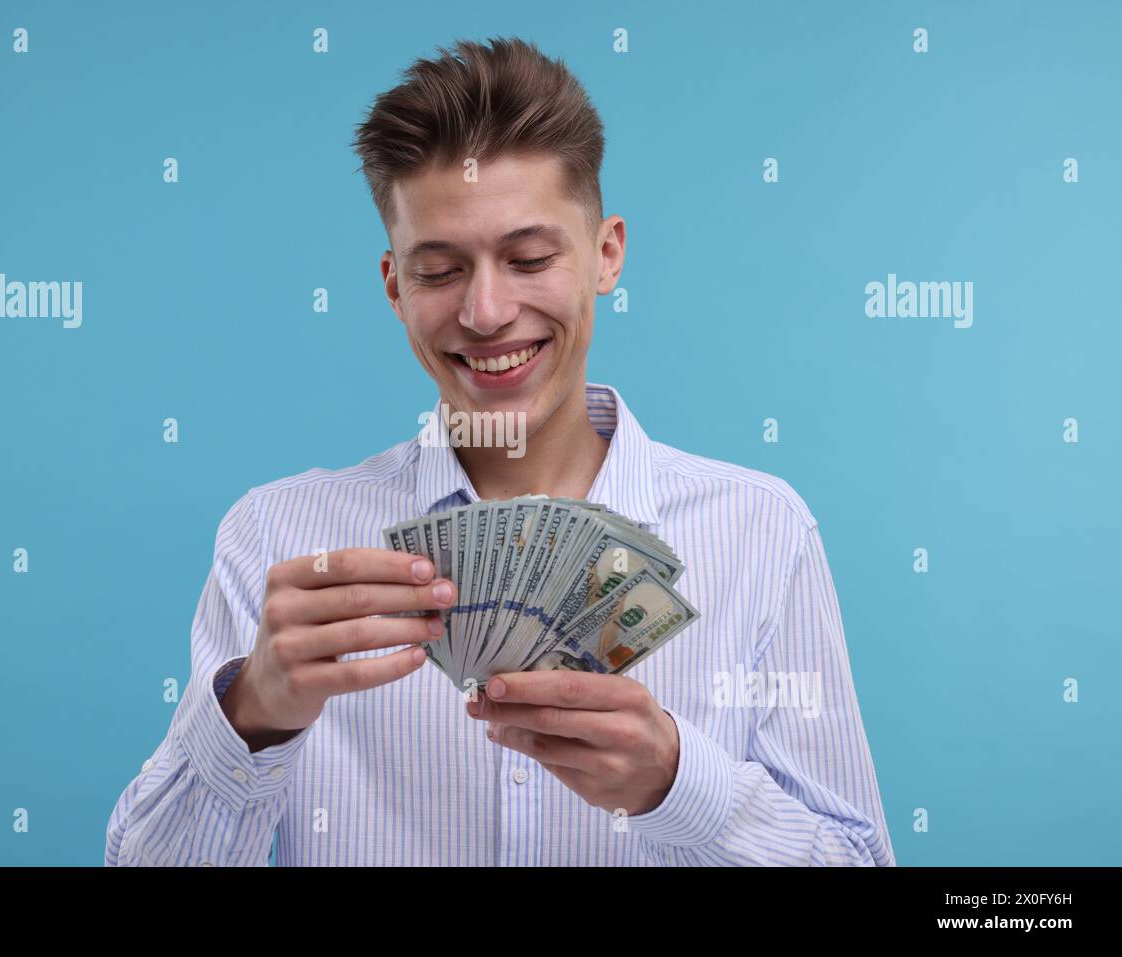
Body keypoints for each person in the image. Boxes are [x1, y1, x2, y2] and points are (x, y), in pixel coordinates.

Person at [105, 35, 895, 866]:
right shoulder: (278, 538)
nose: (485, 312)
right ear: (393, 286)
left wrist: (677, 783)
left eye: (528, 258)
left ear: (607, 254)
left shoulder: (763, 533)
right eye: (440, 270)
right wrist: (252, 712)